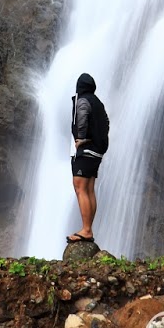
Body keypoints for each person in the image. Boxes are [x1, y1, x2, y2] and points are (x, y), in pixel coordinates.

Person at [68, 71, 109, 244]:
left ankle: (86, 230)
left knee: (79, 186)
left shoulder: (83, 100)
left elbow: (82, 118)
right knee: (89, 188)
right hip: (97, 151)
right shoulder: (98, 102)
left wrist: (81, 139)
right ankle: (88, 229)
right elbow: (106, 122)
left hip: (86, 150)